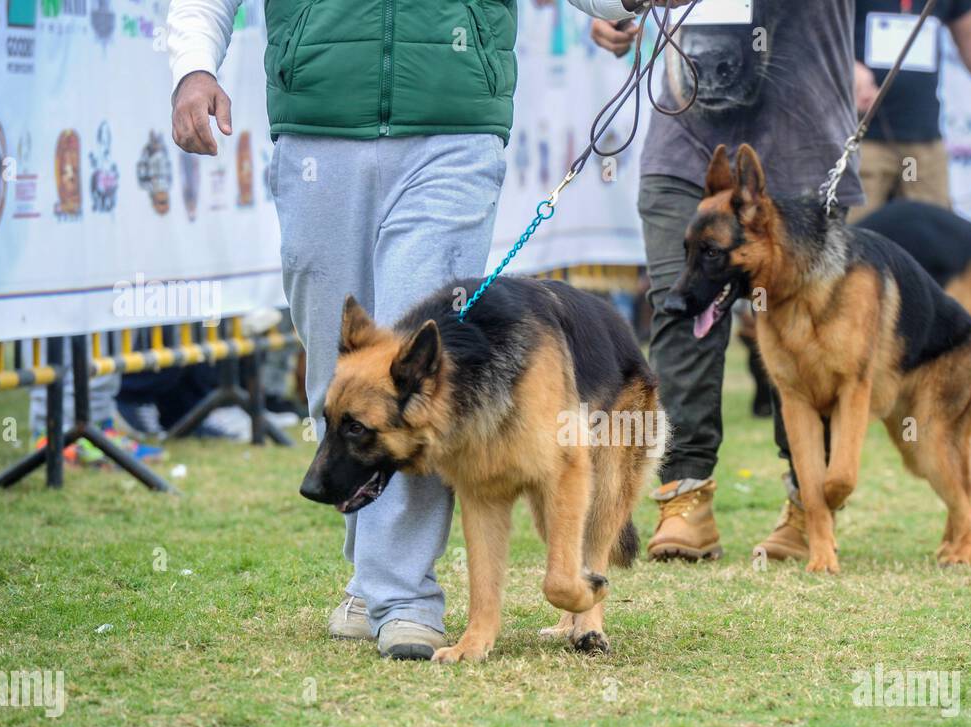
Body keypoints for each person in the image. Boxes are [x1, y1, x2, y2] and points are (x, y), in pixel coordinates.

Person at [167, 0, 679, 661]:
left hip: (453, 117)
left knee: (420, 374)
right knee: (344, 377)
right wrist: (191, 65)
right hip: (319, 117)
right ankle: (370, 576)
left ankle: (402, 594)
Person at [591, 1, 865, 562]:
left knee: (813, 339)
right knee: (679, 312)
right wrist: (618, 8)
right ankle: (683, 496)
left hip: (803, 142)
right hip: (684, 146)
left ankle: (807, 506)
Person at [851, 0, 971, 221]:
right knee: (855, 235)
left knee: (928, 231)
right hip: (861, 139)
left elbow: (970, 36)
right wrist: (849, 68)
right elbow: (819, 34)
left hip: (919, 147)